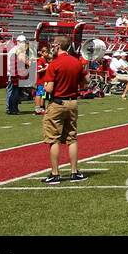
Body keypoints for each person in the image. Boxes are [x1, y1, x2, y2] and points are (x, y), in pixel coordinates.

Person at [40, 35, 87, 183]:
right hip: (72, 102)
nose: (52, 47)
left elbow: (49, 88)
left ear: (58, 45)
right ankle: (74, 172)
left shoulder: (54, 64)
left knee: (53, 139)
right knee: (71, 138)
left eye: (54, 45)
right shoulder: (76, 62)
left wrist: (43, 85)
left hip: (57, 103)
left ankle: (55, 174)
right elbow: (85, 83)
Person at [6, 35, 30, 115]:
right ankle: (11, 108)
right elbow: (23, 60)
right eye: (22, 42)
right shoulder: (17, 50)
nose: (23, 43)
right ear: (18, 42)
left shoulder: (15, 49)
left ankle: (12, 108)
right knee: (14, 92)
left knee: (14, 92)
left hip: (15, 73)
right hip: (15, 74)